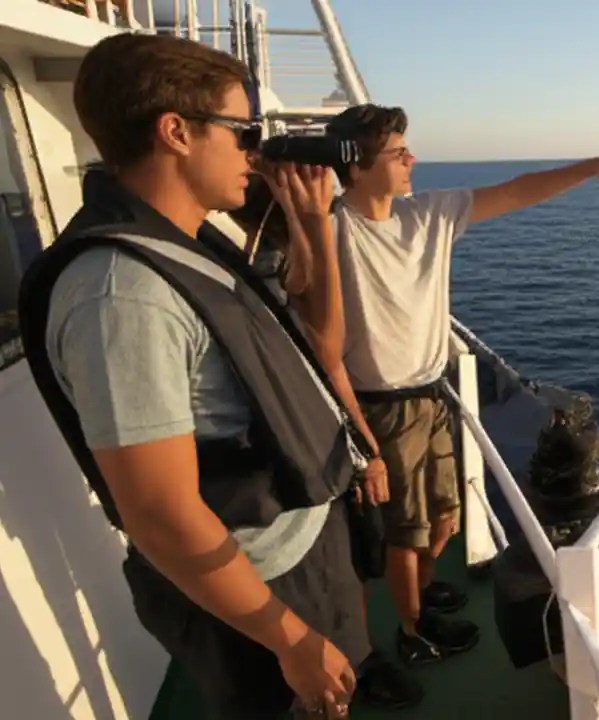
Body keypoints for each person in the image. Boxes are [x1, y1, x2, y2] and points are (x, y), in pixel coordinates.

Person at [18, 34, 365, 719]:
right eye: (243, 132)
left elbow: (317, 351)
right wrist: (289, 638)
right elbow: (160, 513)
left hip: (296, 553)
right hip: (257, 594)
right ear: (175, 132)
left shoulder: (186, 242)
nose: (254, 152)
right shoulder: (120, 292)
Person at [322, 103, 599, 665]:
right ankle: (411, 630)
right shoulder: (330, 227)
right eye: (398, 152)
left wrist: (594, 166)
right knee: (405, 532)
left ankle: (421, 595)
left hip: (435, 392)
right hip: (380, 406)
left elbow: (519, 191)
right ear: (354, 166)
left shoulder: (427, 214)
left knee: (444, 519)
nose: (412, 159)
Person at [228, 164, 422, 711]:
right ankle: (349, 675)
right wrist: (312, 225)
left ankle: (359, 662)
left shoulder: (256, 259)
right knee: (341, 579)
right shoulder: (271, 260)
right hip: (297, 474)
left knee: (346, 569)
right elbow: (328, 348)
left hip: (310, 460)